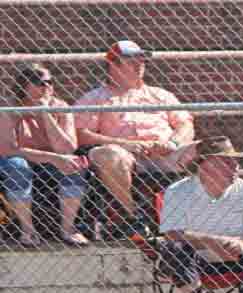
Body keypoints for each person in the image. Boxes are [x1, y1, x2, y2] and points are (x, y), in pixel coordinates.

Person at [75, 40, 196, 235]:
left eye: (142, 60)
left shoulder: (160, 95)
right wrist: (128, 145)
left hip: (166, 153)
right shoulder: (95, 98)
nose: (140, 65)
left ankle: (210, 217)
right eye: (132, 61)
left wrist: (172, 143)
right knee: (110, 155)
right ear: (113, 65)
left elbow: (186, 124)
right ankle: (132, 217)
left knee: (212, 149)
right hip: (125, 156)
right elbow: (81, 135)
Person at [156, 136, 243, 293]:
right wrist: (210, 241)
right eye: (227, 161)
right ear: (205, 165)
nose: (236, 166)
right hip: (197, 260)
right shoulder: (178, 190)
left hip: (237, 256)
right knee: (174, 249)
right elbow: (172, 233)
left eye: (236, 161)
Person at [0, 63, 90, 247]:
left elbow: (67, 148)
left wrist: (46, 113)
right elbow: (9, 150)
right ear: (23, 86)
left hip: (52, 161)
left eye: (50, 82)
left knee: (74, 164)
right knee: (18, 166)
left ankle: (68, 229)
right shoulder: (9, 108)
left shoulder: (61, 107)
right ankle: (28, 230)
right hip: (19, 161)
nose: (46, 87)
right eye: (39, 82)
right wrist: (53, 157)